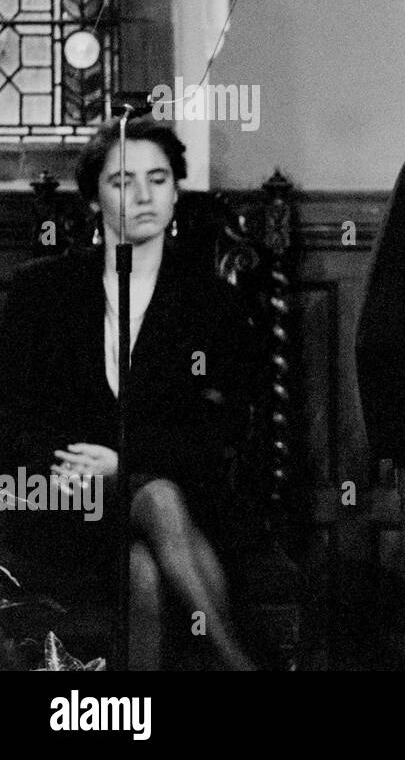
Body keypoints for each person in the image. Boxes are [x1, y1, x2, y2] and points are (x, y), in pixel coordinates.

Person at [0, 118, 256, 670]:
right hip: (64, 498)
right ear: (94, 197)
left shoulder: (212, 304)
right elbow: (11, 413)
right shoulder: (40, 291)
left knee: (145, 559)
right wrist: (65, 466)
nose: (143, 195)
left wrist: (126, 460)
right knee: (154, 511)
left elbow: (222, 431)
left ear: (176, 189)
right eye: (122, 181)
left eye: (158, 178)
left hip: (179, 501)